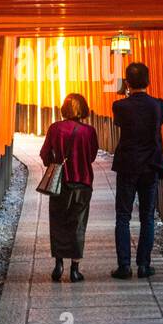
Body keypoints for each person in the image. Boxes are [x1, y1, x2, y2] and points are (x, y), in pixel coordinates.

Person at [110, 62, 163, 280]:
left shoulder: (120, 107)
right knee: (147, 216)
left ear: (127, 82)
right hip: (150, 165)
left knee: (123, 216)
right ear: (149, 80)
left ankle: (124, 266)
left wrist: (124, 92)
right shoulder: (159, 105)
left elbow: (120, 121)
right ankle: (144, 265)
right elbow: (159, 119)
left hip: (127, 165)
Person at [39, 93, 100, 283]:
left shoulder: (55, 128)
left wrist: (55, 164)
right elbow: (91, 156)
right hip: (82, 183)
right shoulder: (88, 131)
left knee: (58, 222)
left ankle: (58, 265)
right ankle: (75, 269)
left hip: (60, 183)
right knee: (78, 224)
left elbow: (44, 154)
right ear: (83, 108)